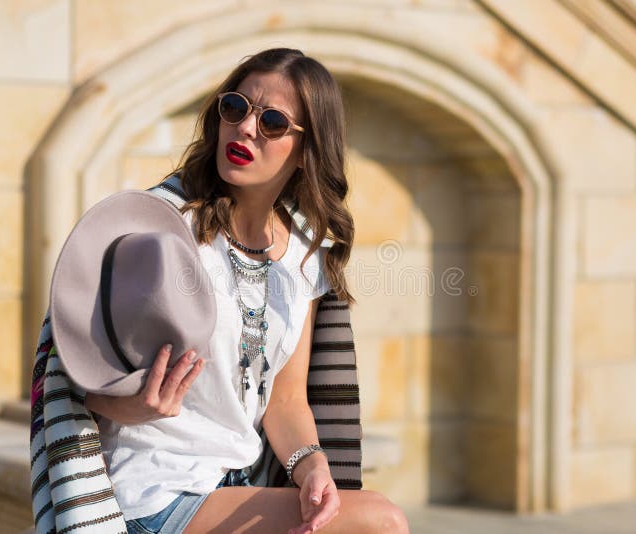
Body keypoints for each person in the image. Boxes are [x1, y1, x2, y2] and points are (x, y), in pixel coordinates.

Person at [82, 48, 410, 534]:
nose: (246, 128)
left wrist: (312, 467)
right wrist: (135, 406)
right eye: (235, 108)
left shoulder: (304, 255)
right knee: (381, 522)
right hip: (154, 487)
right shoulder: (164, 232)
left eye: (272, 122)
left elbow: (286, 401)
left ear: (307, 151)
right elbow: (84, 381)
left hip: (238, 482)